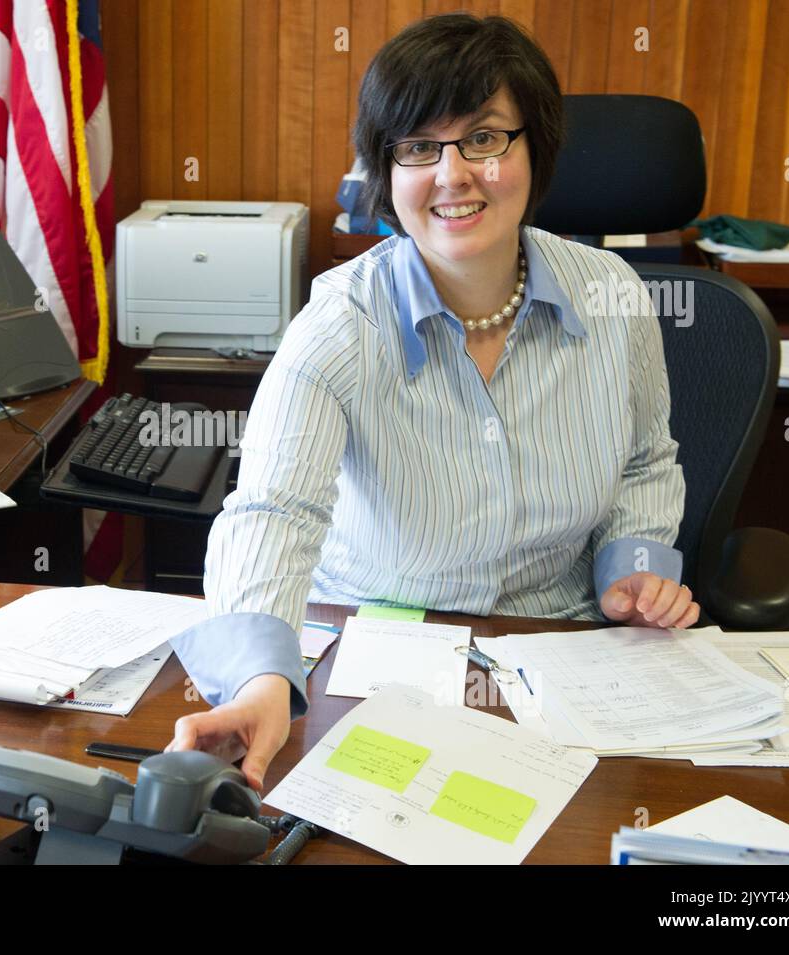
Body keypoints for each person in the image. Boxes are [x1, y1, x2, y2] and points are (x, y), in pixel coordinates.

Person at [165, 13, 700, 792]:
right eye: (418, 147)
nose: (452, 175)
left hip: (561, 657)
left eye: (484, 137)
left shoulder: (613, 296)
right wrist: (259, 680)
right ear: (388, 172)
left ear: (533, 148)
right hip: (375, 656)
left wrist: (636, 568)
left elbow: (647, 460)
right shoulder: (339, 325)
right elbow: (272, 513)